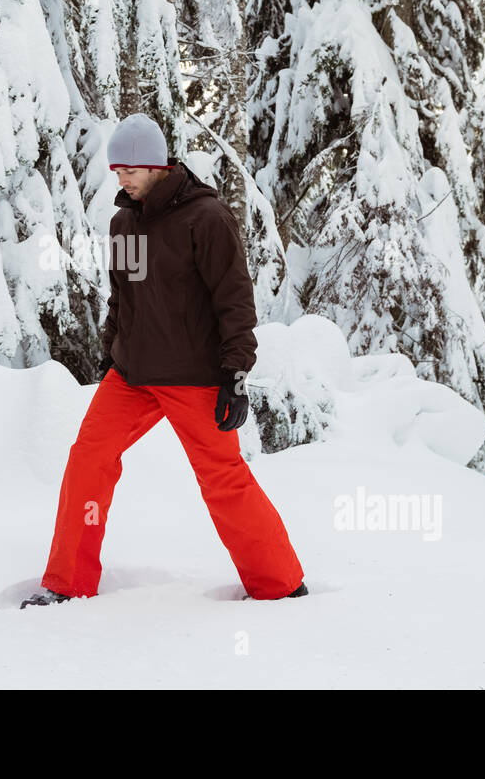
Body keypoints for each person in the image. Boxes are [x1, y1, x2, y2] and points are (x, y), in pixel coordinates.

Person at [21, 113, 306, 607]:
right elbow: (121, 298)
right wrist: (113, 354)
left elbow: (234, 301)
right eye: (116, 172)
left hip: (194, 377)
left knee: (223, 479)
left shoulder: (206, 219)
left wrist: (235, 373)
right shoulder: (124, 221)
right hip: (133, 376)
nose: (122, 180)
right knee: (88, 459)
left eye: (129, 170)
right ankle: (66, 583)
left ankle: (280, 584)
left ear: (156, 165)